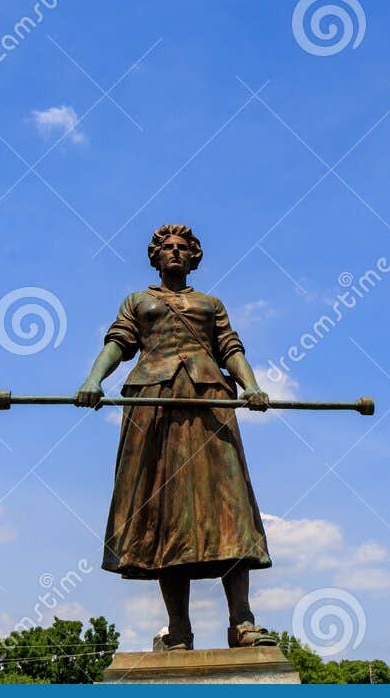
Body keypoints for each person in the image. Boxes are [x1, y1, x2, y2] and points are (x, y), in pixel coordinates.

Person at [75, 223, 277, 650]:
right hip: (154, 404)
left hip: (209, 404)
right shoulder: (138, 301)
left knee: (229, 508)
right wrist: (93, 379)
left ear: (194, 257)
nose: (174, 253)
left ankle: (242, 621)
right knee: (168, 515)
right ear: (155, 256)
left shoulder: (210, 303)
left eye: (183, 248)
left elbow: (229, 348)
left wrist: (253, 386)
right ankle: (179, 629)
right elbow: (118, 343)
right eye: (166, 247)